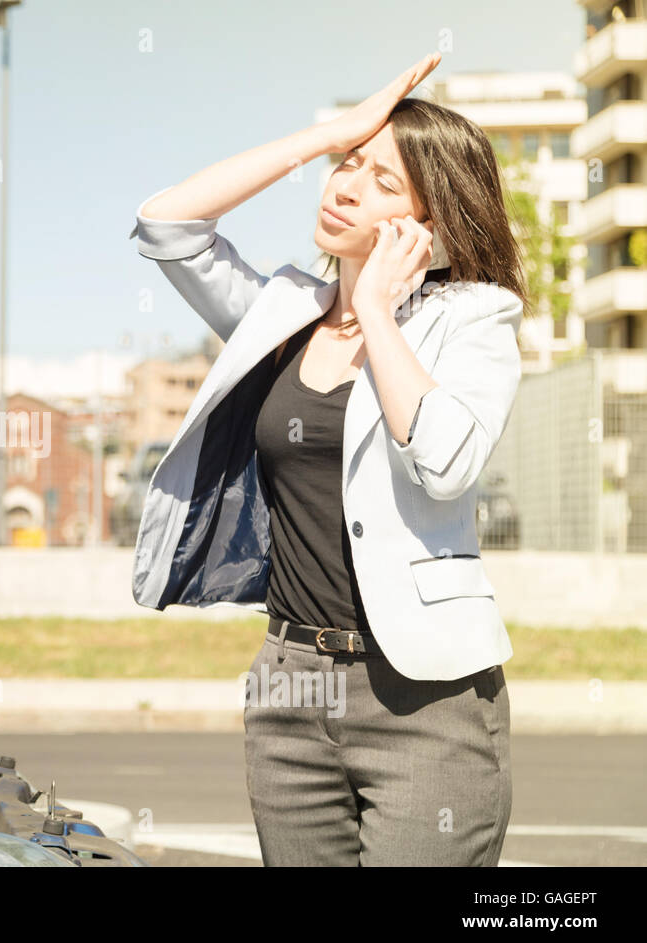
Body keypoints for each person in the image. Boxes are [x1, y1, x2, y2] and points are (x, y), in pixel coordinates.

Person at [129, 52, 530, 865]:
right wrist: (329, 133)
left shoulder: (474, 319)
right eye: (349, 165)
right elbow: (167, 224)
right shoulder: (281, 312)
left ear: (432, 222)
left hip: (424, 697)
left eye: (383, 182)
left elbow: (446, 464)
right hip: (290, 685)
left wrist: (376, 310)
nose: (346, 186)